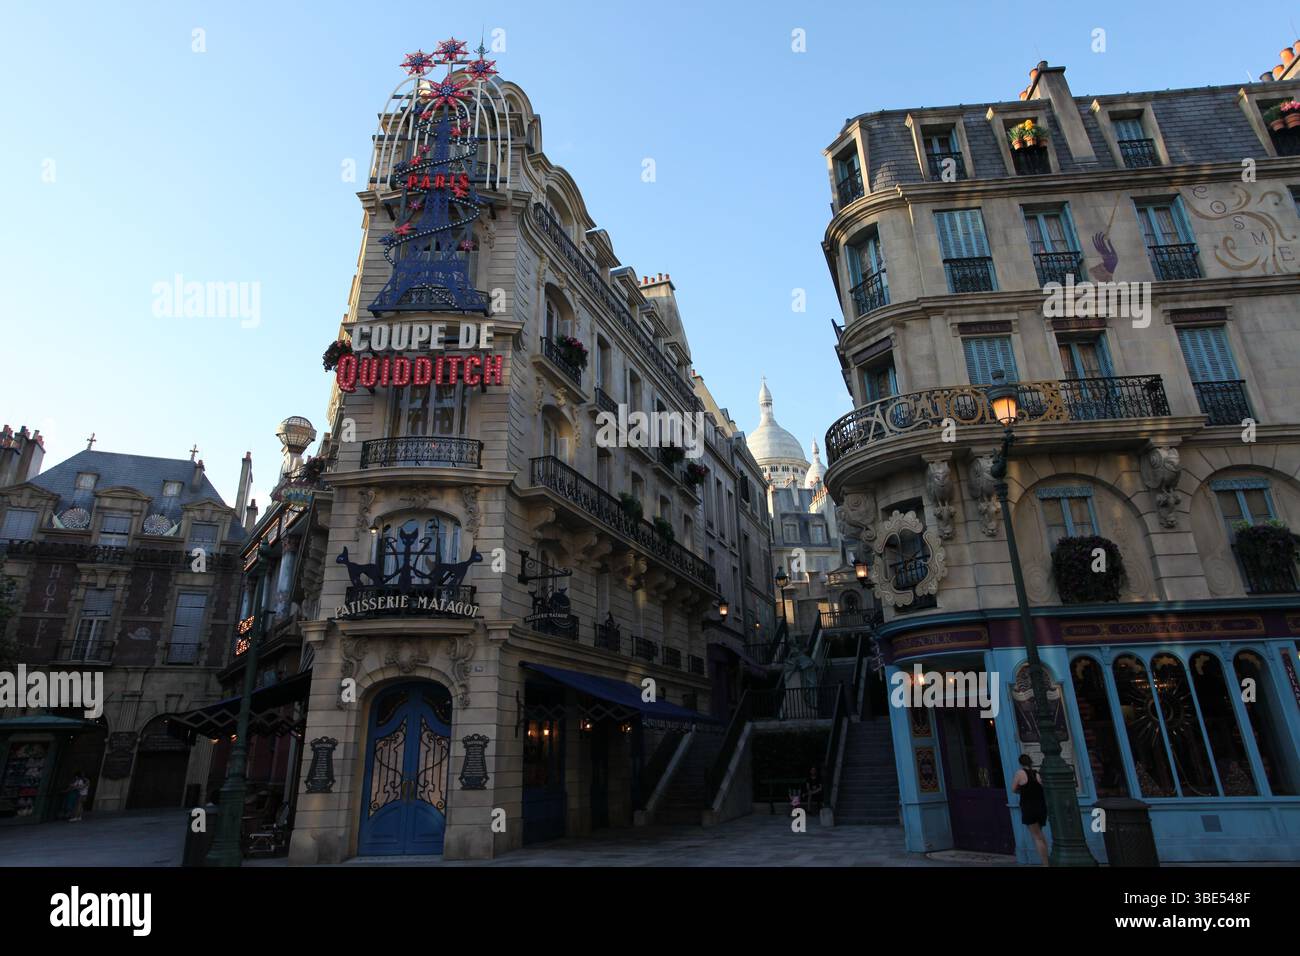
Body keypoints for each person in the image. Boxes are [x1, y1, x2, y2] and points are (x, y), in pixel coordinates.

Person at [1012, 754, 1049, 865]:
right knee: (1040, 835)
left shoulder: (1020, 773)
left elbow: (1013, 789)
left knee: (1037, 837)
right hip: (1041, 807)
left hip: (1029, 807)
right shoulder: (1037, 774)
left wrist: (1022, 791)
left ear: (1020, 763)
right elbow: (1043, 788)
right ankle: (1047, 859)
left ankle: (1045, 863)